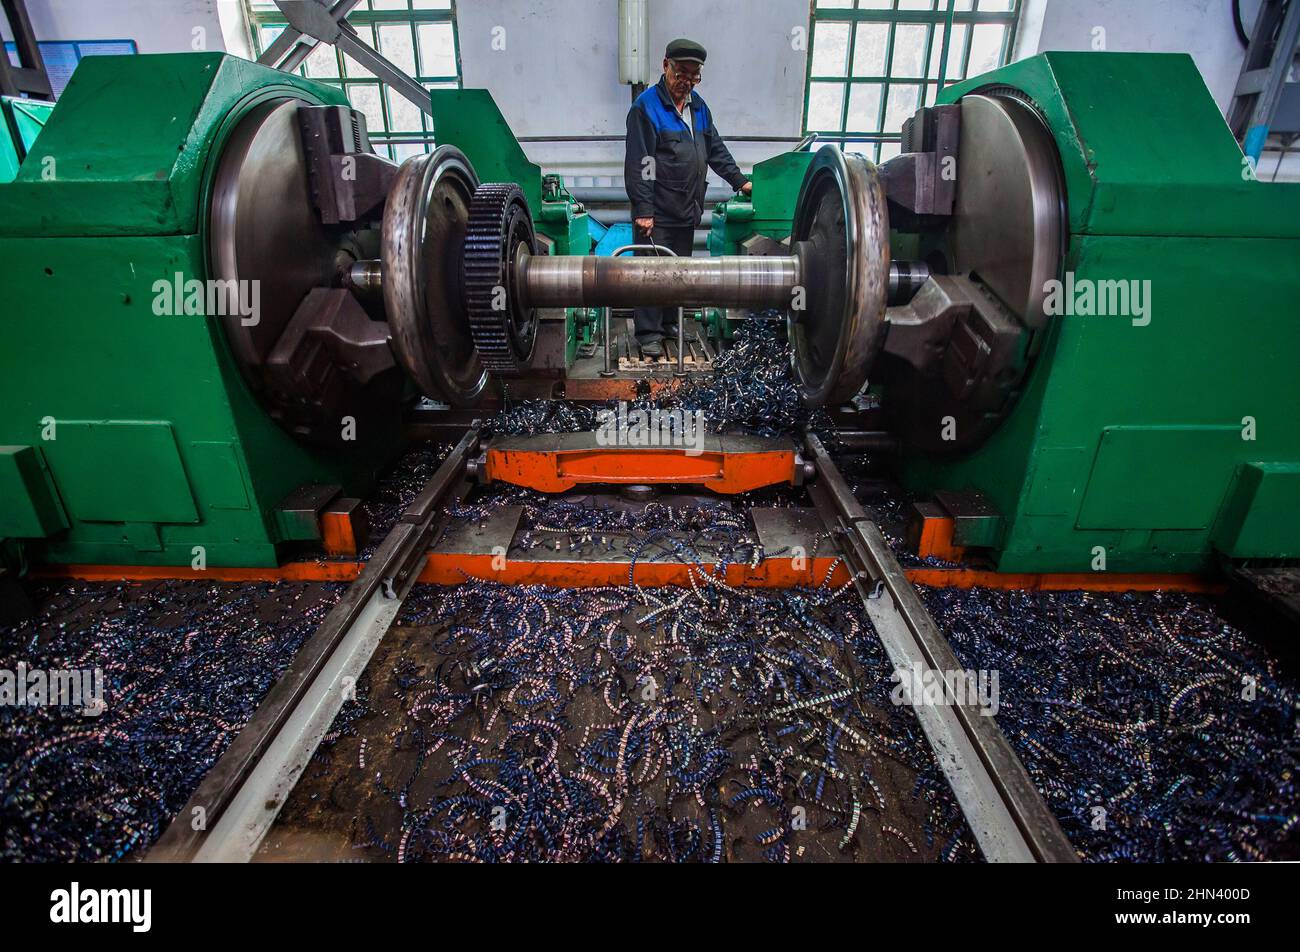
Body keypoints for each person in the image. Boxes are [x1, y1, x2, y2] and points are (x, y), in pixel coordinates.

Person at [624, 38, 751, 357]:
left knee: (677, 271)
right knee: (651, 275)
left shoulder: (699, 107)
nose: (687, 83)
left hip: (687, 206)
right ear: (665, 65)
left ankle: (669, 322)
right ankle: (649, 332)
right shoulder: (646, 107)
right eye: (682, 74)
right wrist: (644, 208)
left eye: (694, 76)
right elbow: (640, 161)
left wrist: (740, 182)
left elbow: (715, 149)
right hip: (657, 209)